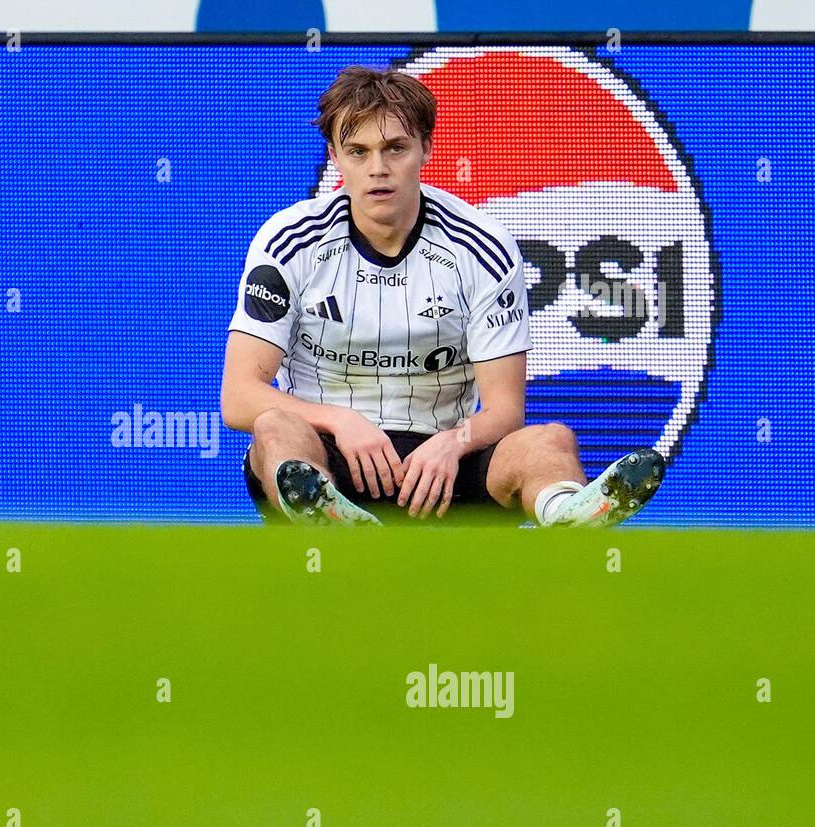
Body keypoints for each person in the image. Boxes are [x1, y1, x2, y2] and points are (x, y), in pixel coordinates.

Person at [220, 65, 664, 526]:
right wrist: (339, 420)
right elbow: (238, 397)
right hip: (328, 456)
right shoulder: (290, 241)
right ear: (335, 157)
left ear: (426, 148)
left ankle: (566, 516)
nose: (378, 169)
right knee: (274, 427)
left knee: (550, 440)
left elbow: (505, 410)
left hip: (439, 471)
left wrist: (453, 443)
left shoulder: (482, 247)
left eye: (395, 148)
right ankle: (330, 520)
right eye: (358, 152)